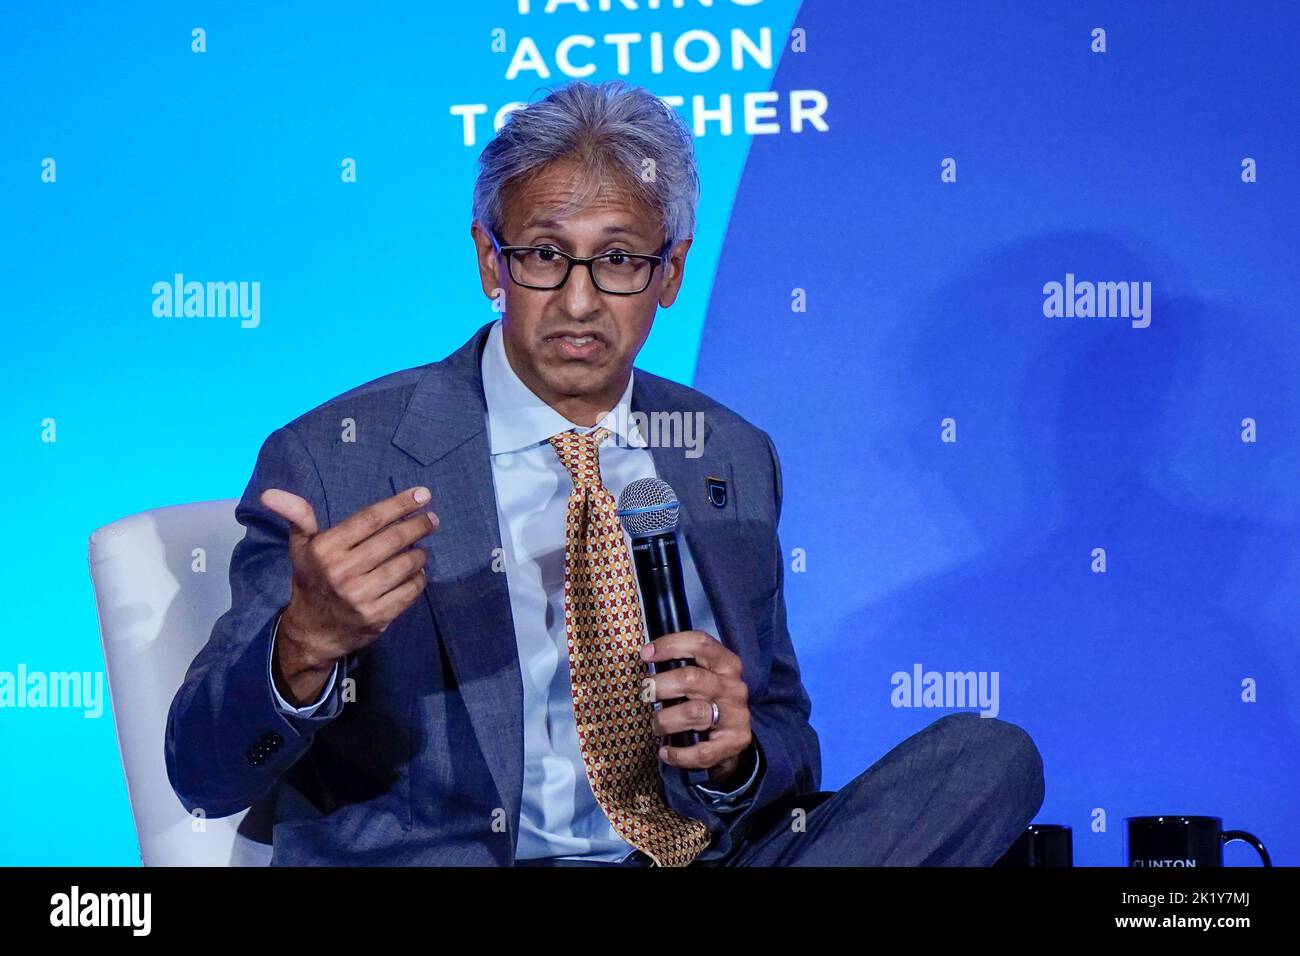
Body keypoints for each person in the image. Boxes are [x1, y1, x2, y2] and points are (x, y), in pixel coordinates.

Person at [165, 78, 1043, 866]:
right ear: (489, 262)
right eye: (546, 254)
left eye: (619, 259)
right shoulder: (341, 455)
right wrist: (305, 646)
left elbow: (786, 737)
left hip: (684, 856)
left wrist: (737, 757)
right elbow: (203, 774)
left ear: (670, 274)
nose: (580, 300)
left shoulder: (726, 452)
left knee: (989, 758)